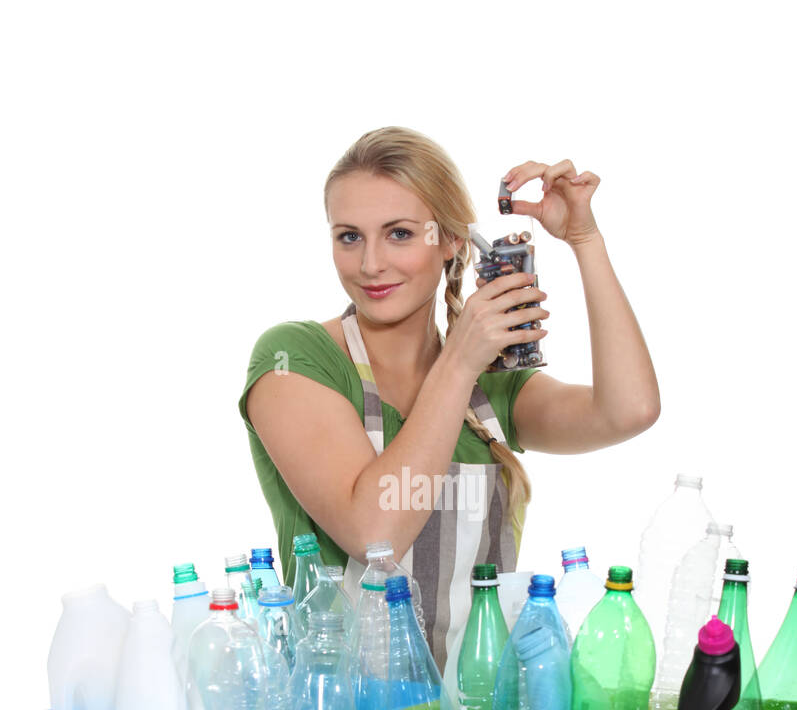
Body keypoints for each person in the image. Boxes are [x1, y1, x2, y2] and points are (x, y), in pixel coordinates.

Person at [238, 126, 660, 672]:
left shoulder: (489, 390)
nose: (370, 264)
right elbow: (376, 534)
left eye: (400, 233)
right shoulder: (295, 359)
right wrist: (460, 359)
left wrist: (585, 241)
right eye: (349, 237)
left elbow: (631, 409)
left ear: (453, 242)